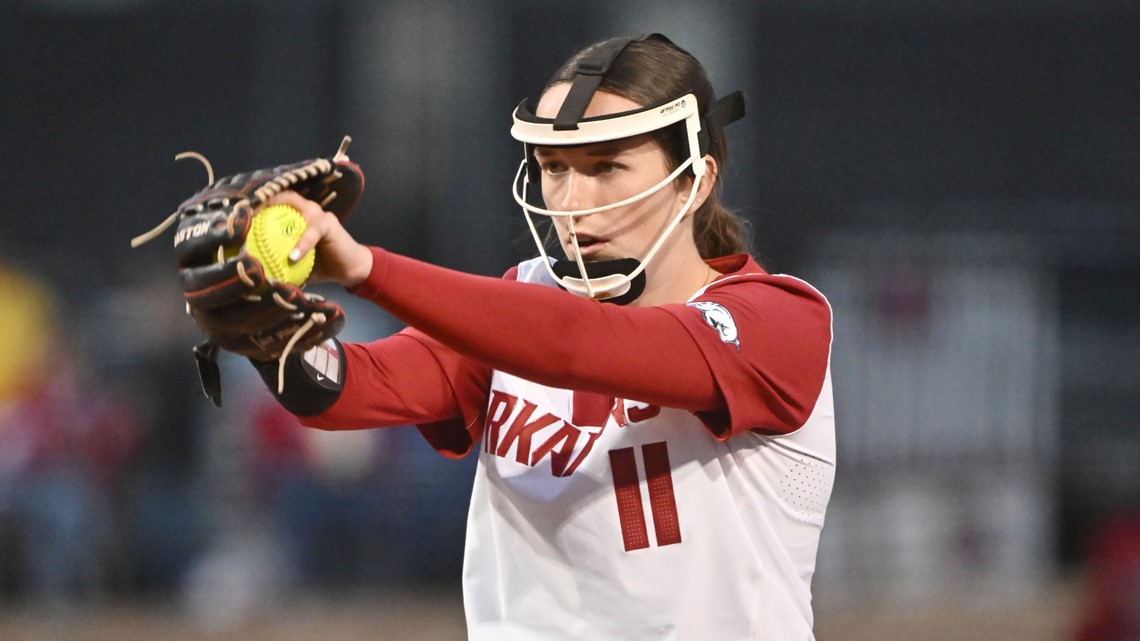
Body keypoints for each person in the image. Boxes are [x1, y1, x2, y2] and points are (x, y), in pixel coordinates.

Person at [248, 33, 835, 640]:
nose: (573, 201)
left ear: (695, 181)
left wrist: (370, 269)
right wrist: (264, 325)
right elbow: (348, 390)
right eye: (555, 167)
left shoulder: (780, 321)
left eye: (607, 166)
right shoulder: (521, 305)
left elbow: (575, 345)